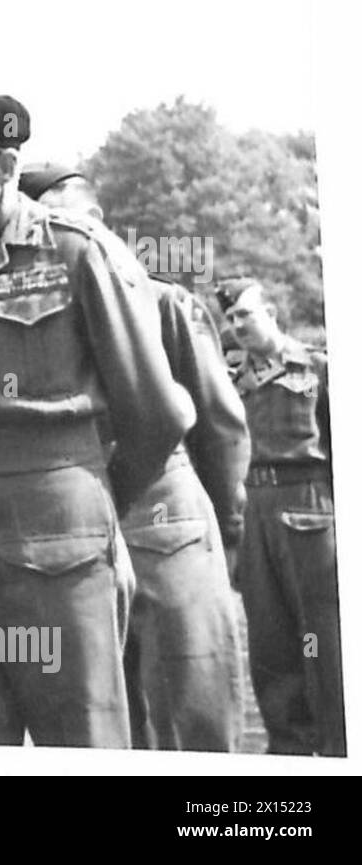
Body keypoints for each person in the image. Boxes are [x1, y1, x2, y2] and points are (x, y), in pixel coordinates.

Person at [0, 91, 195, 746]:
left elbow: (156, 408)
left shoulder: (79, 252)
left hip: (57, 527)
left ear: (5, 164)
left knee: (79, 735)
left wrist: (87, 500)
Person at [20, 165, 250, 752]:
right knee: (106, 714)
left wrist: (226, 536)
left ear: (94, 223)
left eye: (58, 222)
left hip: (163, 518)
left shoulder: (166, 302)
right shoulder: (31, 322)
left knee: (188, 703)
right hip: (77, 531)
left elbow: (219, 428)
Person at [218, 277, 342, 756]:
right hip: (253, 512)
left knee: (323, 635)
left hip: (309, 508)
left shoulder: (318, 368)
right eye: (230, 319)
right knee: (269, 641)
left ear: (271, 313)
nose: (237, 325)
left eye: (246, 314)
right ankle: (288, 749)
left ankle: (339, 746)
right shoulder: (229, 381)